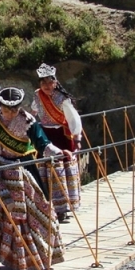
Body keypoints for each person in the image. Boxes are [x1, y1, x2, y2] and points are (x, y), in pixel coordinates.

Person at [0, 87, 67, 270]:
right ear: (0, 105)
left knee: (34, 214)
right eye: (7, 109)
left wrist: (59, 153)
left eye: (14, 109)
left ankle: (38, 258)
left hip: (23, 171)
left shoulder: (28, 122)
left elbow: (43, 144)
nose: (10, 113)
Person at [30, 64, 82, 221]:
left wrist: (77, 138)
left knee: (61, 170)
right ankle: (47, 204)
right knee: (46, 169)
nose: (46, 86)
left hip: (61, 136)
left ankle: (63, 207)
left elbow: (74, 119)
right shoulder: (38, 95)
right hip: (44, 135)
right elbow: (34, 109)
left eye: (49, 82)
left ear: (55, 82)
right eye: (43, 83)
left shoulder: (62, 99)